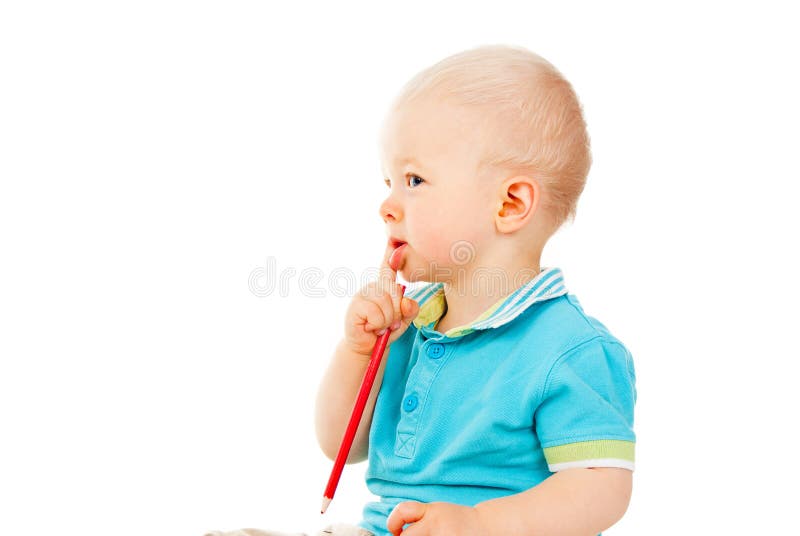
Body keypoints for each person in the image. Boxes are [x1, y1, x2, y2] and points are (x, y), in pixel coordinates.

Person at [207, 43, 636, 536]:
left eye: (414, 179)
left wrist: (478, 525)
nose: (387, 205)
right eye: (389, 180)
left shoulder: (570, 349)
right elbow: (337, 444)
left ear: (510, 203)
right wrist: (358, 352)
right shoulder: (411, 324)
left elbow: (600, 490)